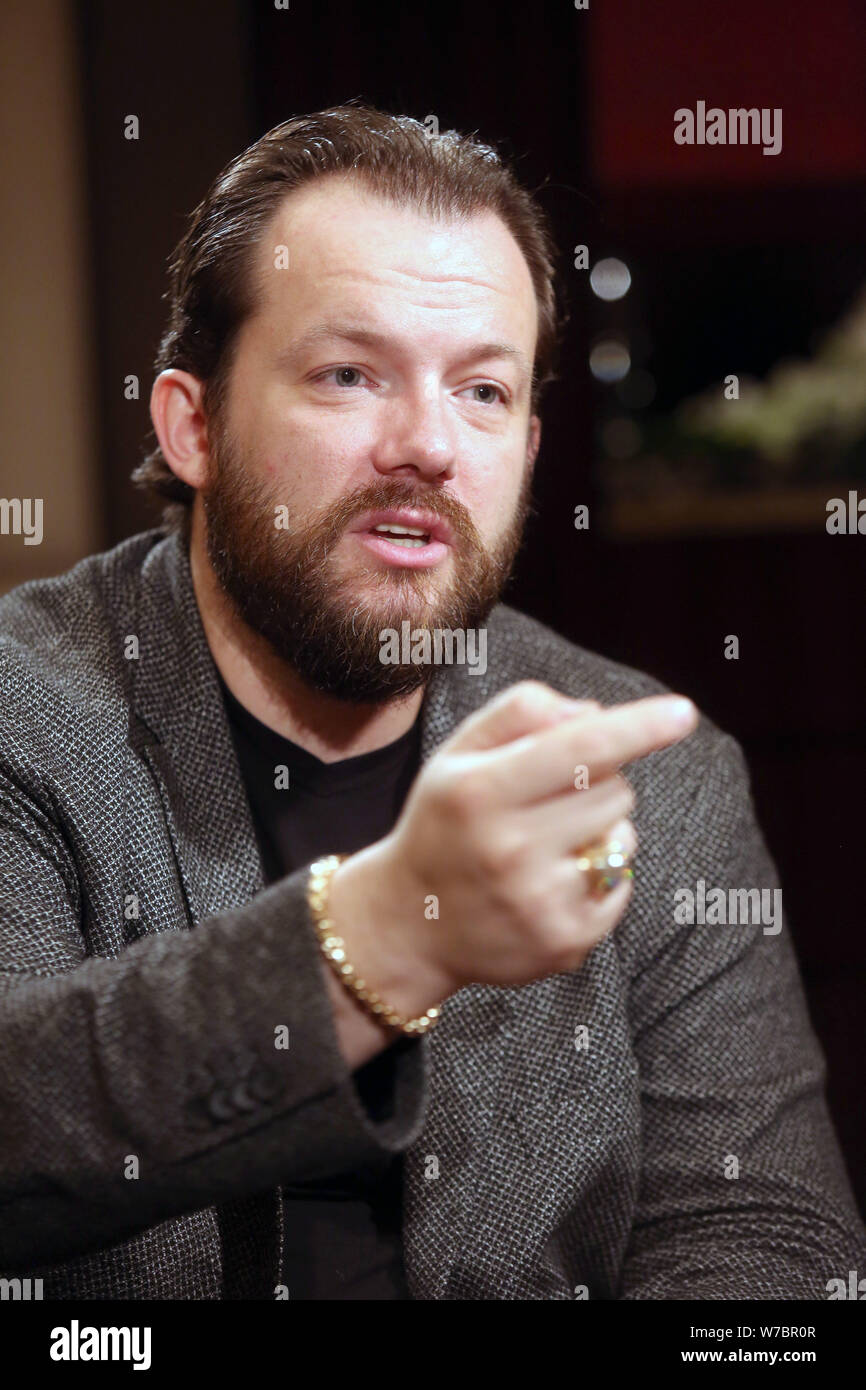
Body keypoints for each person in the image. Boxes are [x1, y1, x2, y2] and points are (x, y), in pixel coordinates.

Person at [0, 102, 863, 1301]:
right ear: (190, 425)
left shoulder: (648, 766)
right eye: (349, 374)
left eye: (482, 392)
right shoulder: (22, 710)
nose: (428, 445)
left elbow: (764, 1242)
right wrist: (389, 935)